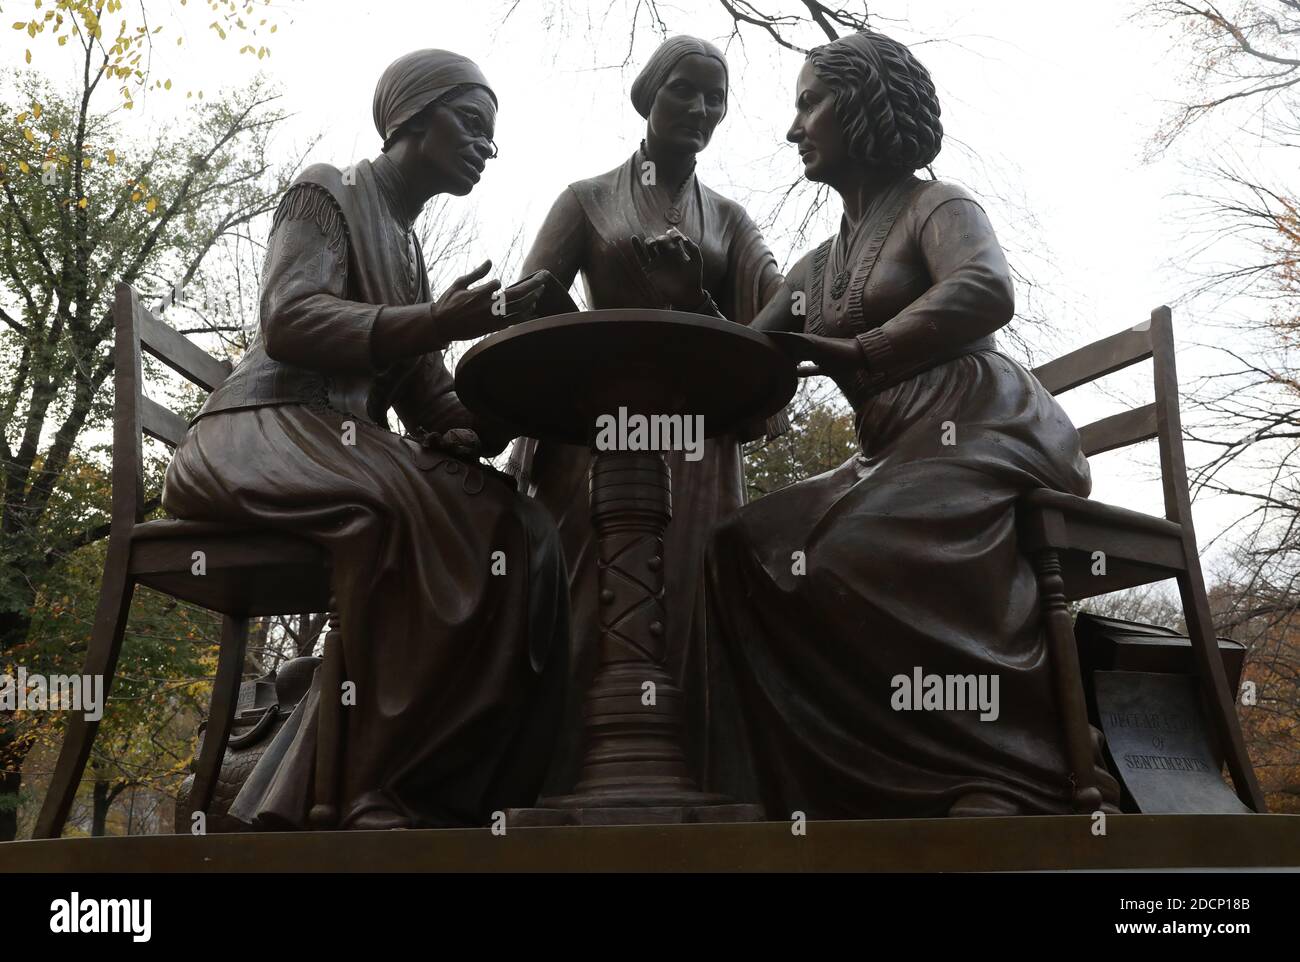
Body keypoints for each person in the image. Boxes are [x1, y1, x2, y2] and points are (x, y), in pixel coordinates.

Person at [637, 30, 1119, 817]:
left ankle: (1011, 770)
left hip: (985, 422)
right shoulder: (816, 267)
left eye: (809, 105)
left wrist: (863, 348)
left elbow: (986, 287)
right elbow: (748, 362)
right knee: (743, 547)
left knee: (859, 546)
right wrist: (687, 301)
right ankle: (852, 780)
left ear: (860, 105)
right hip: (896, 449)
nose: (794, 129)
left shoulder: (938, 204)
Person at [162, 49, 569, 830]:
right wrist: (433, 324)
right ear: (414, 116)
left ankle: (435, 777)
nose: (486, 146)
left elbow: (430, 401)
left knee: (514, 522)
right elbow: (290, 318)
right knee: (391, 507)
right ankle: (351, 787)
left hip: (339, 444)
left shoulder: (409, 255)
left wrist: (513, 393)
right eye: (473, 124)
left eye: (494, 136)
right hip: (258, 429)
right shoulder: (328, 192)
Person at [506, 36, 785, 794]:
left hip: (696, 434)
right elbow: (525, 314)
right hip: (595, 431)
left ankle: (695, 777)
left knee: (695, 595)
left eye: (715, 97)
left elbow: (777, 323)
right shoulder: (587, 199)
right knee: (581, 598)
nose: (700, 108)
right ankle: (567, 779)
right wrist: (535, 302)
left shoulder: (728, 219)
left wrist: (696, 299)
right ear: (649, 97)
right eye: (683, 91)